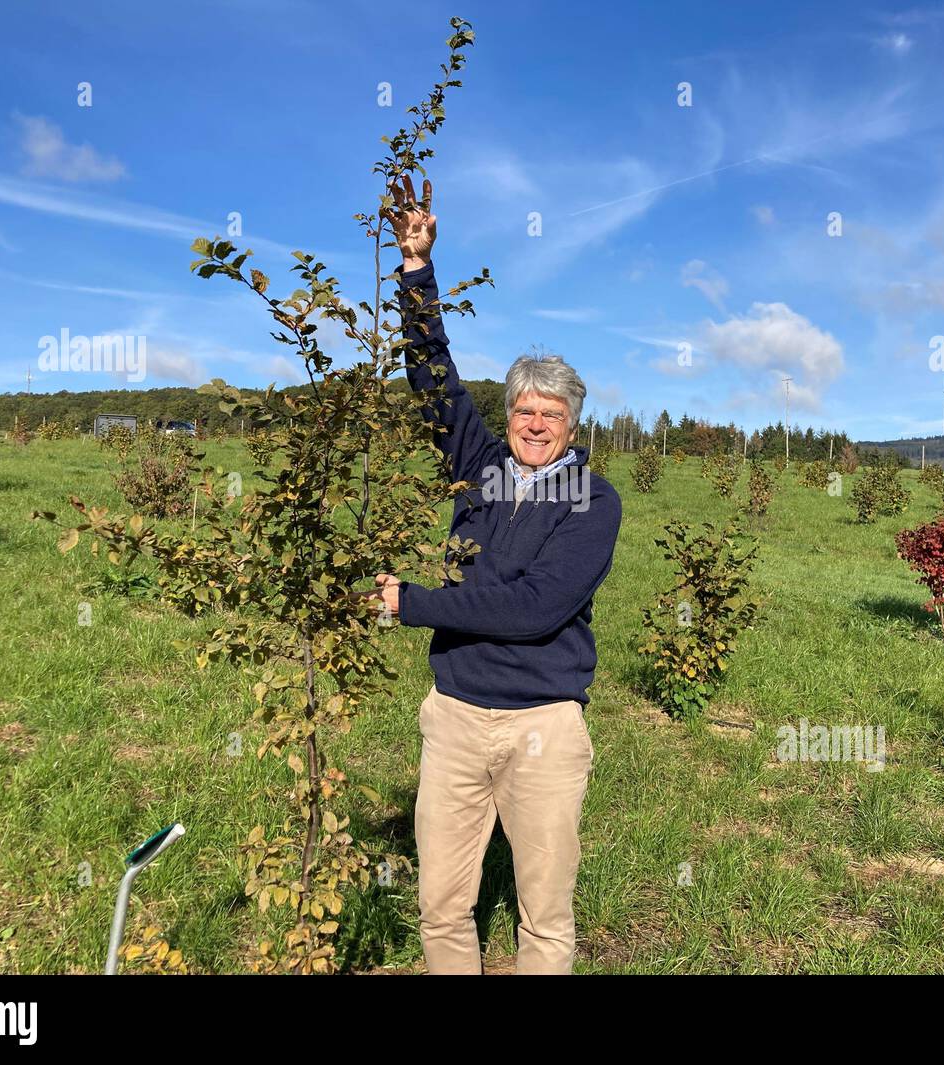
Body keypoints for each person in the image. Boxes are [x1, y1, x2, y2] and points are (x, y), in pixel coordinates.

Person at [370, 174, 622, 975]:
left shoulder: (594, 498)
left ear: (573, 425)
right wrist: (416, 270)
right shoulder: (478, 468)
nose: (536, 423)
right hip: (453, 718)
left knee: (544, 916)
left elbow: (533, 608)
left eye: (552, 413)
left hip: (543, 725)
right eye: (524, 411)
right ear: (508, 416)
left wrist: (414, 602)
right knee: (443, 904)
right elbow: (433, 380)